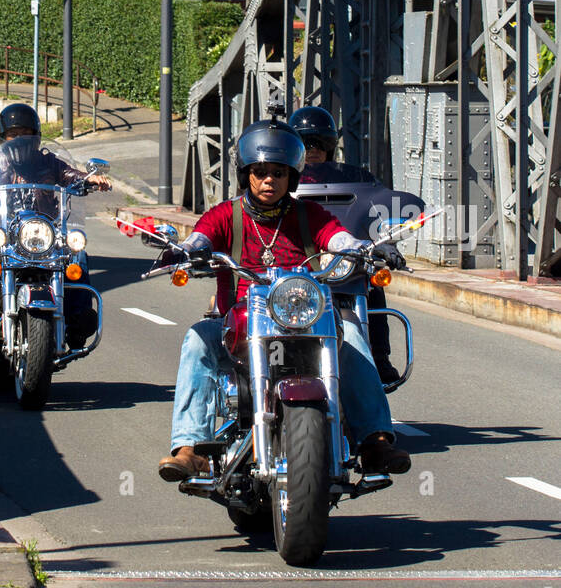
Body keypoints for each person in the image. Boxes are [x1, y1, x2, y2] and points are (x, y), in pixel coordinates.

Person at [158, 120, 410, 484]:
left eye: (278, 173)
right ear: (247, 175)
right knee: (197, 338)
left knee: (352, 333)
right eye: (260, 172)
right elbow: (201, 236)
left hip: (305, 320)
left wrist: (369, 249)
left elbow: (339, 238)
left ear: (291, 177)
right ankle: (190, 448)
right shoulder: (226, 215)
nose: (268, 181)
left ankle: (374, 440)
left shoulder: (307, 215)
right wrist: (186, 250)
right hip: (241, 321)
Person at [0, 102, 110, 346]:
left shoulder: (50, 163)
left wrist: (90, 179)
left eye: (25, 135)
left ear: (35, 137)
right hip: (2, 237)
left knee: (78, 256)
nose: (19, 140)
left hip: (44, 238)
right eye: (14, 135)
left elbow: (71, 174)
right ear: (3, 138)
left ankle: (77, 319)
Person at [289, 105, 399, 385]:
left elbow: (372, 208)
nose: (313, 149)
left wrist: (385, 239)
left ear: (330, 146)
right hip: (300, 256)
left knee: (372, 283)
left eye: (319, 143)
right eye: (305, 142)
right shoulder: (283, 180)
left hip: (338, 255)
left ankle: (379, 355)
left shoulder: (351, 179)